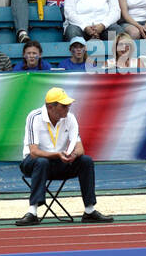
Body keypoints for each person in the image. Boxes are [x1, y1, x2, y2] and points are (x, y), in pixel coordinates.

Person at [17, 86, 113, 226]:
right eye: (64, 105)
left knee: (86, 161)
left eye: (68, 105)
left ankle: (89, 210)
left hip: (60, 161)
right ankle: (32, 212)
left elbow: (80, 148)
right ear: (50, 107)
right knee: (41, 162)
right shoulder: (34, 117)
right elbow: (34, 152)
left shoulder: (70, 118)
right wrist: (57, 154)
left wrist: (73, 155)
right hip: (33, 163)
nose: (68, 108)